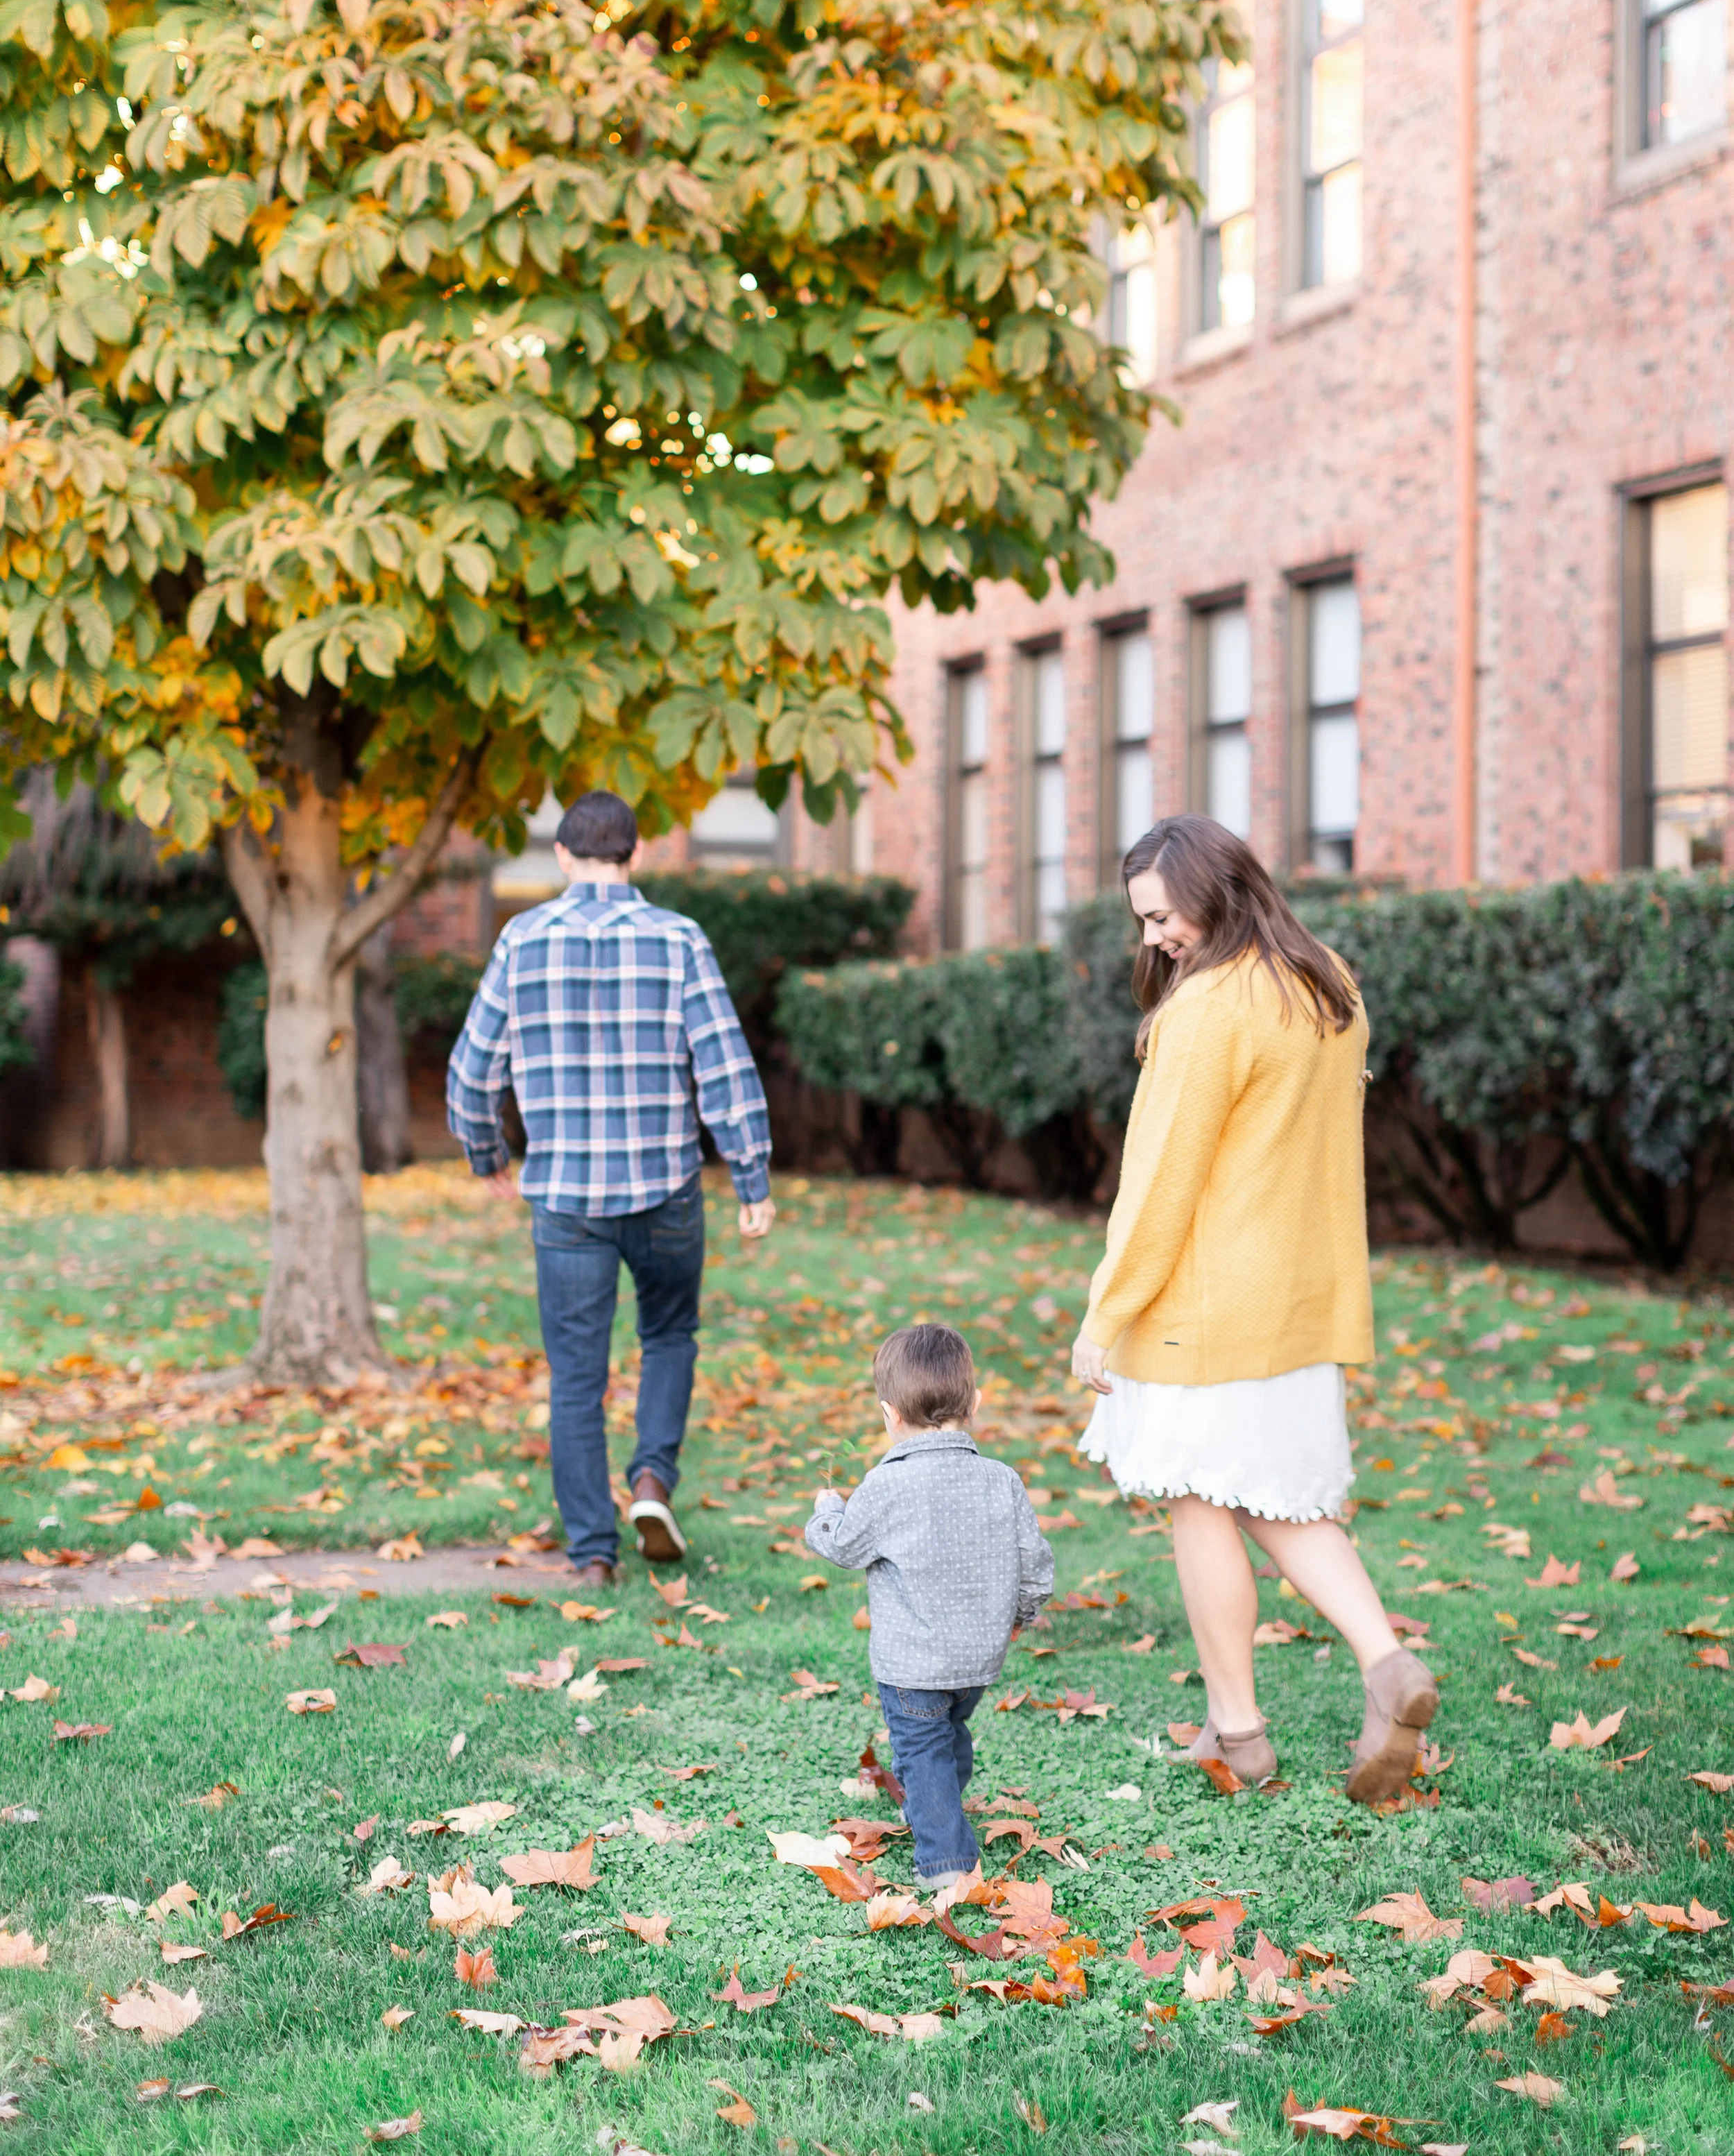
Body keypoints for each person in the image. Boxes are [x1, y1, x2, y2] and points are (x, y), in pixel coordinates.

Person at [1070, 813, 1436, 1803]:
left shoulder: (1209, 1008)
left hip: (1206, 1299)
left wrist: (1106, 1311)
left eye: (1160, 914)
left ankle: (1238, 1729)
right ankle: (1386, 1661)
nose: (1152, 937)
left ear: (1212, 887)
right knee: (1279, 1498)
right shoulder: (1330, 984)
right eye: (1141, 921)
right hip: (1298, 1297)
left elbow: (1160, 1181)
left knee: (1201, 1498)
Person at [447, 789, 775, 1587]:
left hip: (565, 1200)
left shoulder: (521, 939)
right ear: (637, 854)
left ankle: (593, 1554)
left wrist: (485, 1151)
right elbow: (723, 1066)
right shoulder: (678, 939)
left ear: (561, 855)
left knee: (576, 1378)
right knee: (668, 1337)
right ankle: (653, 1481)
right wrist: (751, 1175)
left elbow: (470, 1071)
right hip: (663, 1189)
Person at [805, 1322, 1054, 1888]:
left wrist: (827, 1509)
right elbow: (1034, 1563)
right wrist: (1022, 1614)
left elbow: (844, 1547)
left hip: (912, 1663)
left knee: (922, 1749)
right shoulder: (1002, 1480)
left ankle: (948, 1864)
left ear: (889, 1413)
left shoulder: (885, 1485)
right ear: (977, 1402)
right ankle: (933, 1805)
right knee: (949, 1734)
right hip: (978, 1661)